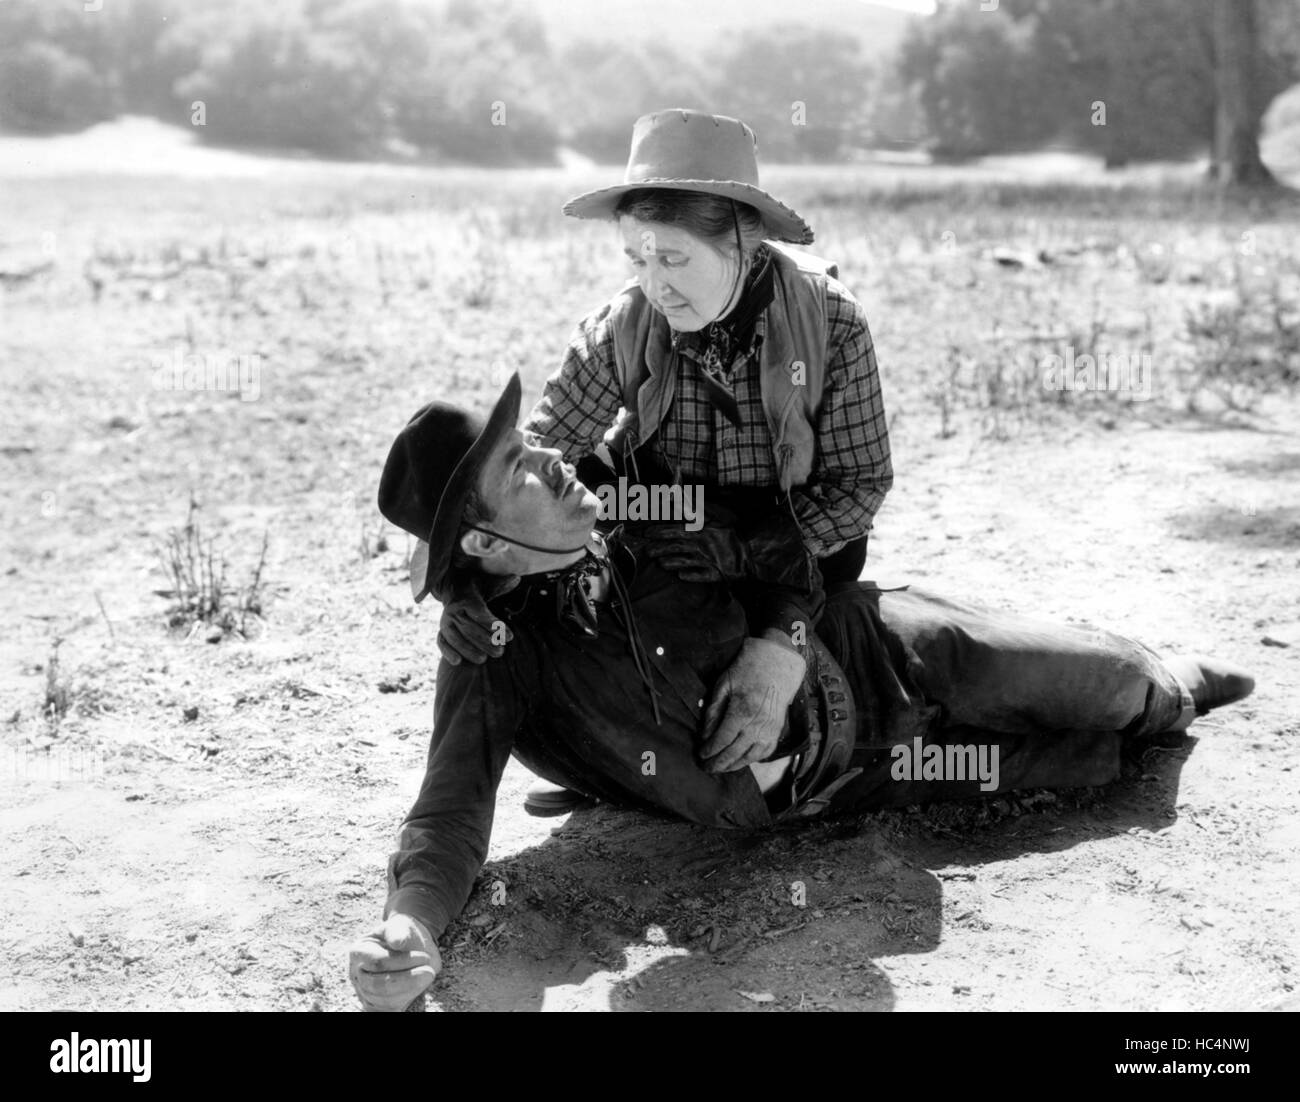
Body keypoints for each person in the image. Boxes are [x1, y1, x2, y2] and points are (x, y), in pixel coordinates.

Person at [347, 374, 1255, 1011]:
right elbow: (448, 814)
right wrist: (411, 929)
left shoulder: (634, 493)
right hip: (853, 784)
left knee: (1122, 690)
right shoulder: (494, 652)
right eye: (517, 468)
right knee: (1079, 770)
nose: (551, 459)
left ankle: (1174, 682)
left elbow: (789, 543)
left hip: (880, 651)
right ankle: (1116, 738)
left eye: (530, 440)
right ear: (481, 546)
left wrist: (778, 644)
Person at [437, 108, 894, 815]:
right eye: (638, 260)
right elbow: (540, 460)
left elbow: (860, 483)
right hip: (667, 541)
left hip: (795, 547)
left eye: (675, 259)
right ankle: (617, 767)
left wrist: (754, 567)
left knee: (771, 663)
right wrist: (464, 587)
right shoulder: (619, 328)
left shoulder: (829, 320)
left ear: (744, 239)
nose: (656, 286)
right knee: (575, 588)